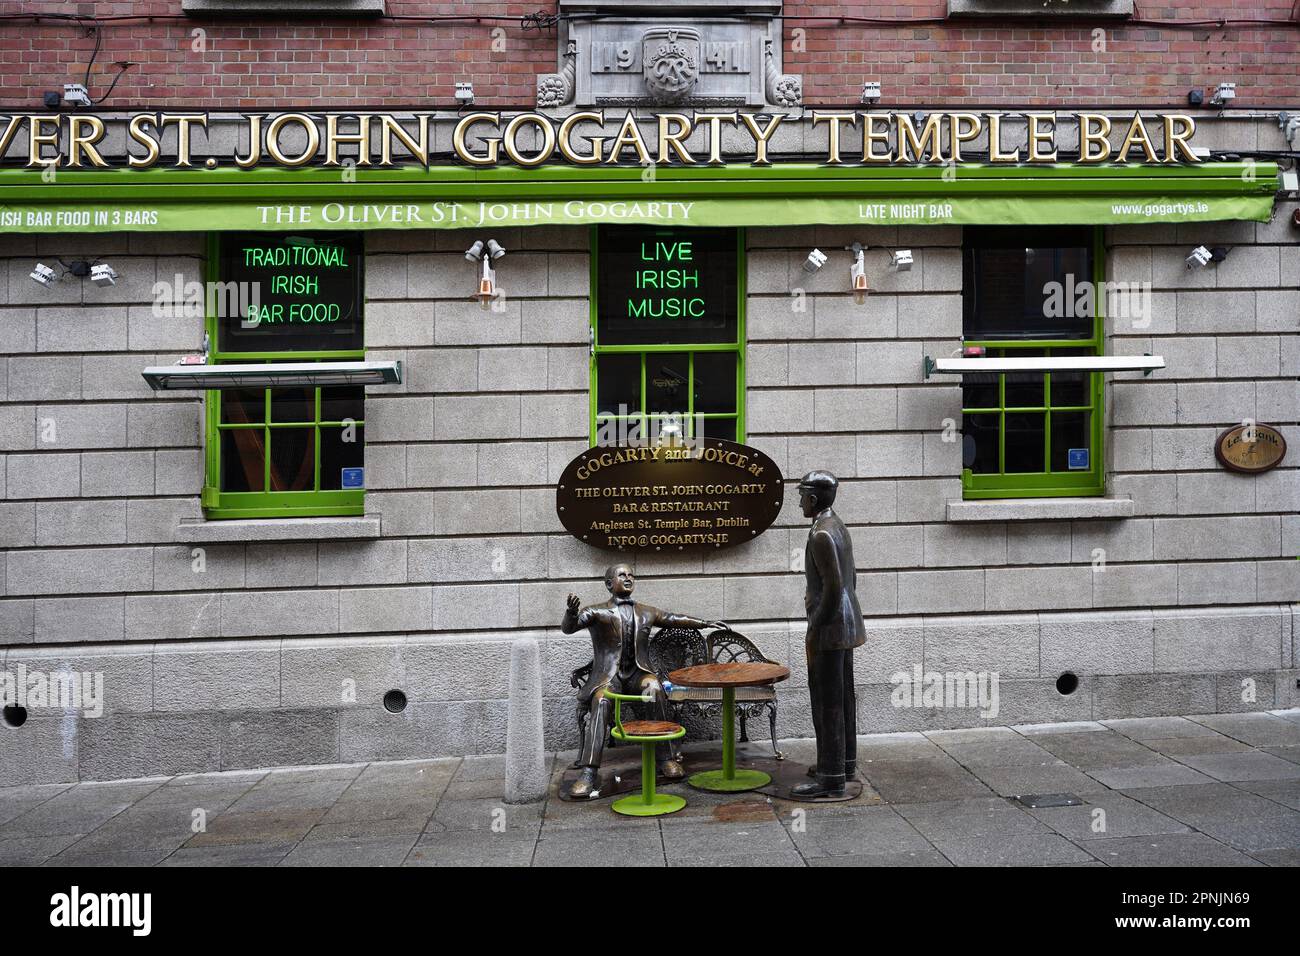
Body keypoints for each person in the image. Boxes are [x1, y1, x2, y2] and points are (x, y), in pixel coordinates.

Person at [562, 563, 725, 799]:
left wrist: (706, 623)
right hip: (610, 677)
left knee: (655, 688)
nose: (628, 578)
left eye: (631, 575)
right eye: (622, 575)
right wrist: (570, 614)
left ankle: (665, 758)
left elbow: (674, 618)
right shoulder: (596, 612)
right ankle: (588, 772)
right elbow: (570, 628)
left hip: (638, 674)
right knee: (602, 700)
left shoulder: (646, 611)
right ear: (609, 584)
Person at [791, 471, 867, 799]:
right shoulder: (837, 525)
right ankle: (844, 763)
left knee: (828, 701)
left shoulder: (821, 533)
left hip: (831, 627)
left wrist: (815, 627)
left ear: (812, 498)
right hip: (847, 624)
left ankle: (830, 778)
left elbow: (833, 587)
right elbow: (853, 577)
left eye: (801, 496)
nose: (798, 502)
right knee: (843, 695)